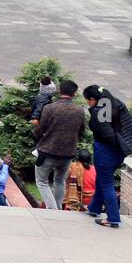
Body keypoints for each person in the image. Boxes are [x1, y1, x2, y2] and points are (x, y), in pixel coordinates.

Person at [83, 85, 132, 228]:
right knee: (102, 179)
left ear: (93, 99)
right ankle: (94, 208)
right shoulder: (116, 103)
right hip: (119, 152)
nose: (88, 104)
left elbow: (107, 135)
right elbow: (128, 125)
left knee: (107, 184)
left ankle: (113, 218)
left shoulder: (99, 112)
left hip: (106, 152)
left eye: (88, 101)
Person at [32, 79, 86, 210]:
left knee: (42, 182)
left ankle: (53, 210)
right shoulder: (79, 110)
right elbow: (82, 132)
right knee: (60, 181)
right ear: (74, 94)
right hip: (67, 155)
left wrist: (35, 136)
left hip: (47, 152)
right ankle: (58, 210)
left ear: (59, 91)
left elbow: (40, 129)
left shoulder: (50, 108)